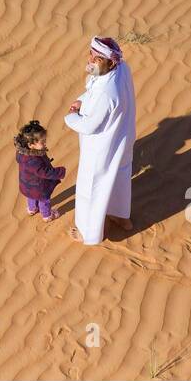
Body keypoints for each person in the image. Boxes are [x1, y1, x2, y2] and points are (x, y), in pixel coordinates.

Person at [65, 37, 136, 245]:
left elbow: (89, 126)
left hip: (102, 148)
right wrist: (83, 100)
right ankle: (121, 216)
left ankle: (89, 233)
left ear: (110, 62)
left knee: (91, 186)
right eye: (91, 54)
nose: (91, 60)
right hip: (122, 138)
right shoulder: (122, 69)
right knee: (119, 176)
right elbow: (94, 91)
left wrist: (70, 116)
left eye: (97, 59)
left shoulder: (107, 93)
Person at [14, 120, 65, 221]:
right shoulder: (34, 159)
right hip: (39, 186)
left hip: (27, 184)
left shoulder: (22, 153)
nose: (45, 144)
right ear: (31, 145)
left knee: (31, 196)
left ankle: (32, 209)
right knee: (44, 200)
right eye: (42, 142)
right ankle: (47, 215)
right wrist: (60, 172)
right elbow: (44, 172)